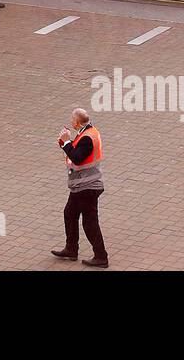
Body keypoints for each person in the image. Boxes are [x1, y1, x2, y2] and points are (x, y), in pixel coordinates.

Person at [51, 108, 108, 268]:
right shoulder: (89, 131)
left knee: (90, 223)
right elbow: (76, 152)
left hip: (87, 186)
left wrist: (67, 141)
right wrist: (65, 144)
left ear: (76, 122)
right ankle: (71, 249)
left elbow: (77, 157)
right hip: (81, 186)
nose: (70, 122)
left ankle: (101, 256)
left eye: (72, 119)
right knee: (69, 213)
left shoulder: (87, 138)